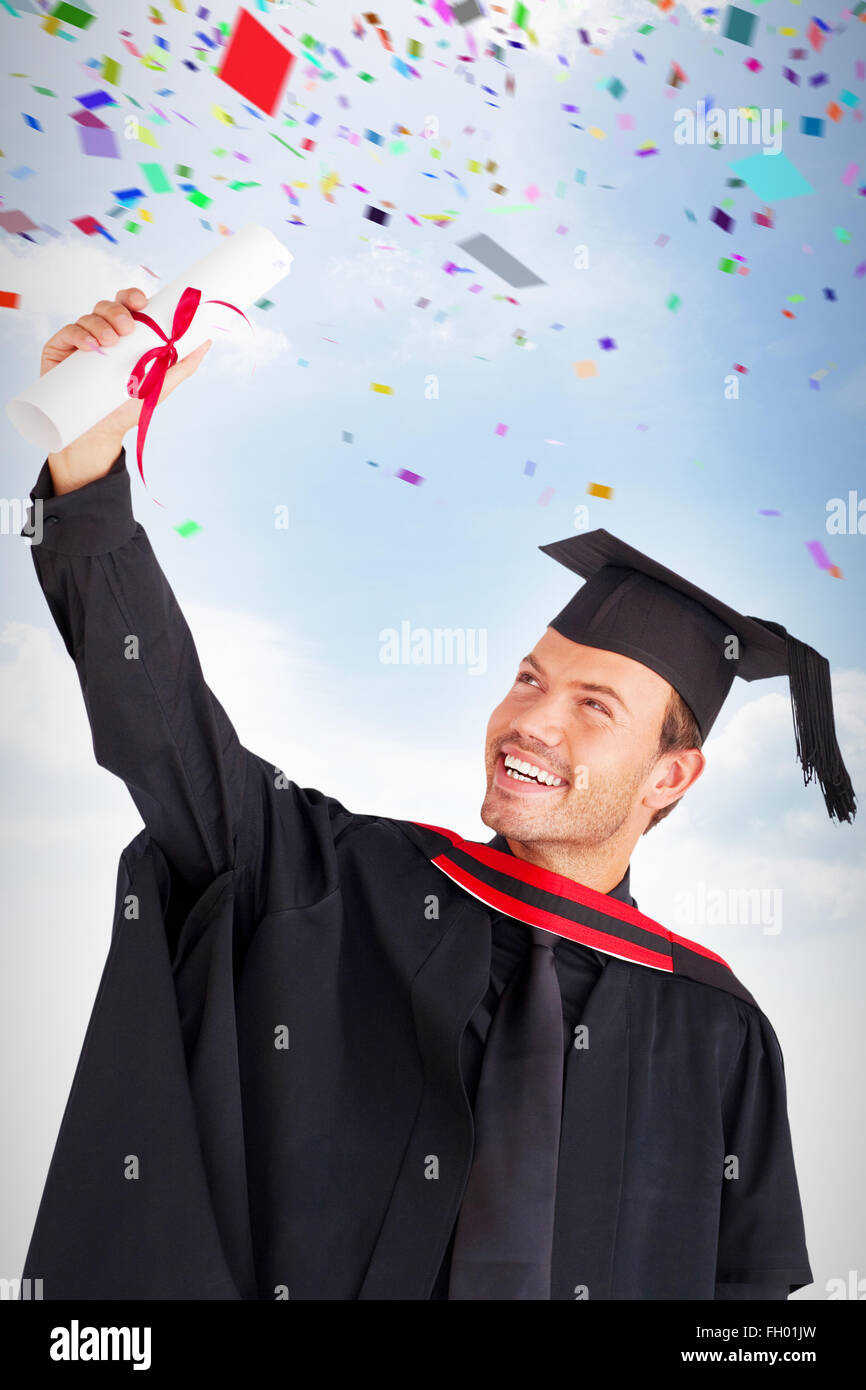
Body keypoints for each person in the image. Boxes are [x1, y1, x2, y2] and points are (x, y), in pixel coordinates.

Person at [18, 289, 855, 1301]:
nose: (532, 721)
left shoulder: (717, 1033)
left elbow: (745, 1312)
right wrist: (89, 472)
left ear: (669, 776)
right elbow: (163, 731)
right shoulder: (333, 885)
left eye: (593, 705)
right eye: (528, 678)